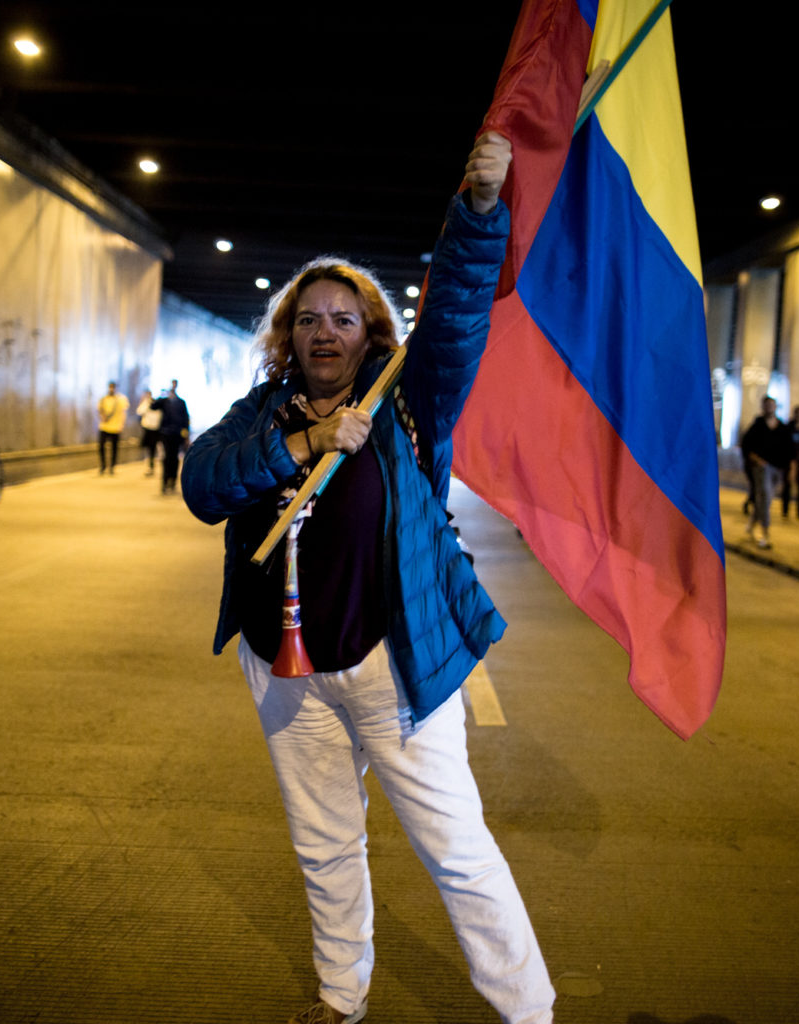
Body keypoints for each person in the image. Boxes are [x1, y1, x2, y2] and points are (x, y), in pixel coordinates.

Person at [182, 133, 553, 1024]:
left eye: (343, 318)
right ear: (288, 335)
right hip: (287, 668)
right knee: (324, 844)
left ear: (370, 335)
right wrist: (305, 444)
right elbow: (204, 483)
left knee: (455, 848)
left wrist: (478, 211)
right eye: (308, 317)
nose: (324, 330)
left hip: (395, 668)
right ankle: (341, 997)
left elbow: (459, 313)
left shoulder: (408, 399)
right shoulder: (262, 413)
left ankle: (528, 1012)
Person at [739, 395, 788, 549]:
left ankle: (751, 524)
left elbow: (789, 448)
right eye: (767, 406)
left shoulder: (781, 426)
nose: (770, 408)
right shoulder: (758, 425)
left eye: (772, 405)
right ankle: (765, 533)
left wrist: (790, 468)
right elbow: (746, 445)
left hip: (777, 468)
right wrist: (756, 459)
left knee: (766, 501)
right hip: (762, 468)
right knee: (765, 497)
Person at [151, 380, 189, 495]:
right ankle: (165, 481)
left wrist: (185, 434)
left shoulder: (181, 402)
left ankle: (172, 480)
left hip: (177, 434)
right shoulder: (164, 401)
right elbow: (153, 406)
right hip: (165, 433)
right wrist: (161, 395)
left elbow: (185, 419)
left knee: (174, 458)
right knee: (167, 457)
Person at [96, 380, 131, 474]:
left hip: (116, 427)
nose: (111, 389)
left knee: (114, 448)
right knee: (101, 446)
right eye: (110, 387)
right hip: (104, 426)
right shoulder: (103, 399)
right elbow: (100, 410)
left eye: (113, 387)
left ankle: (112, 466)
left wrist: (121, 425)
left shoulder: (121, 399)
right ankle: (103, 466)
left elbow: (124, 413)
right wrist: (102, 417)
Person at [135, 388, 161, 475]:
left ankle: (152, 464)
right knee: (147, 448)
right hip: (147, 429)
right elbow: (139, 411)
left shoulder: (156, 403)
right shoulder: (145, 404)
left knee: (153, 448)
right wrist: (144, 401)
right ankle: (149, 464)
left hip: (155, 429)